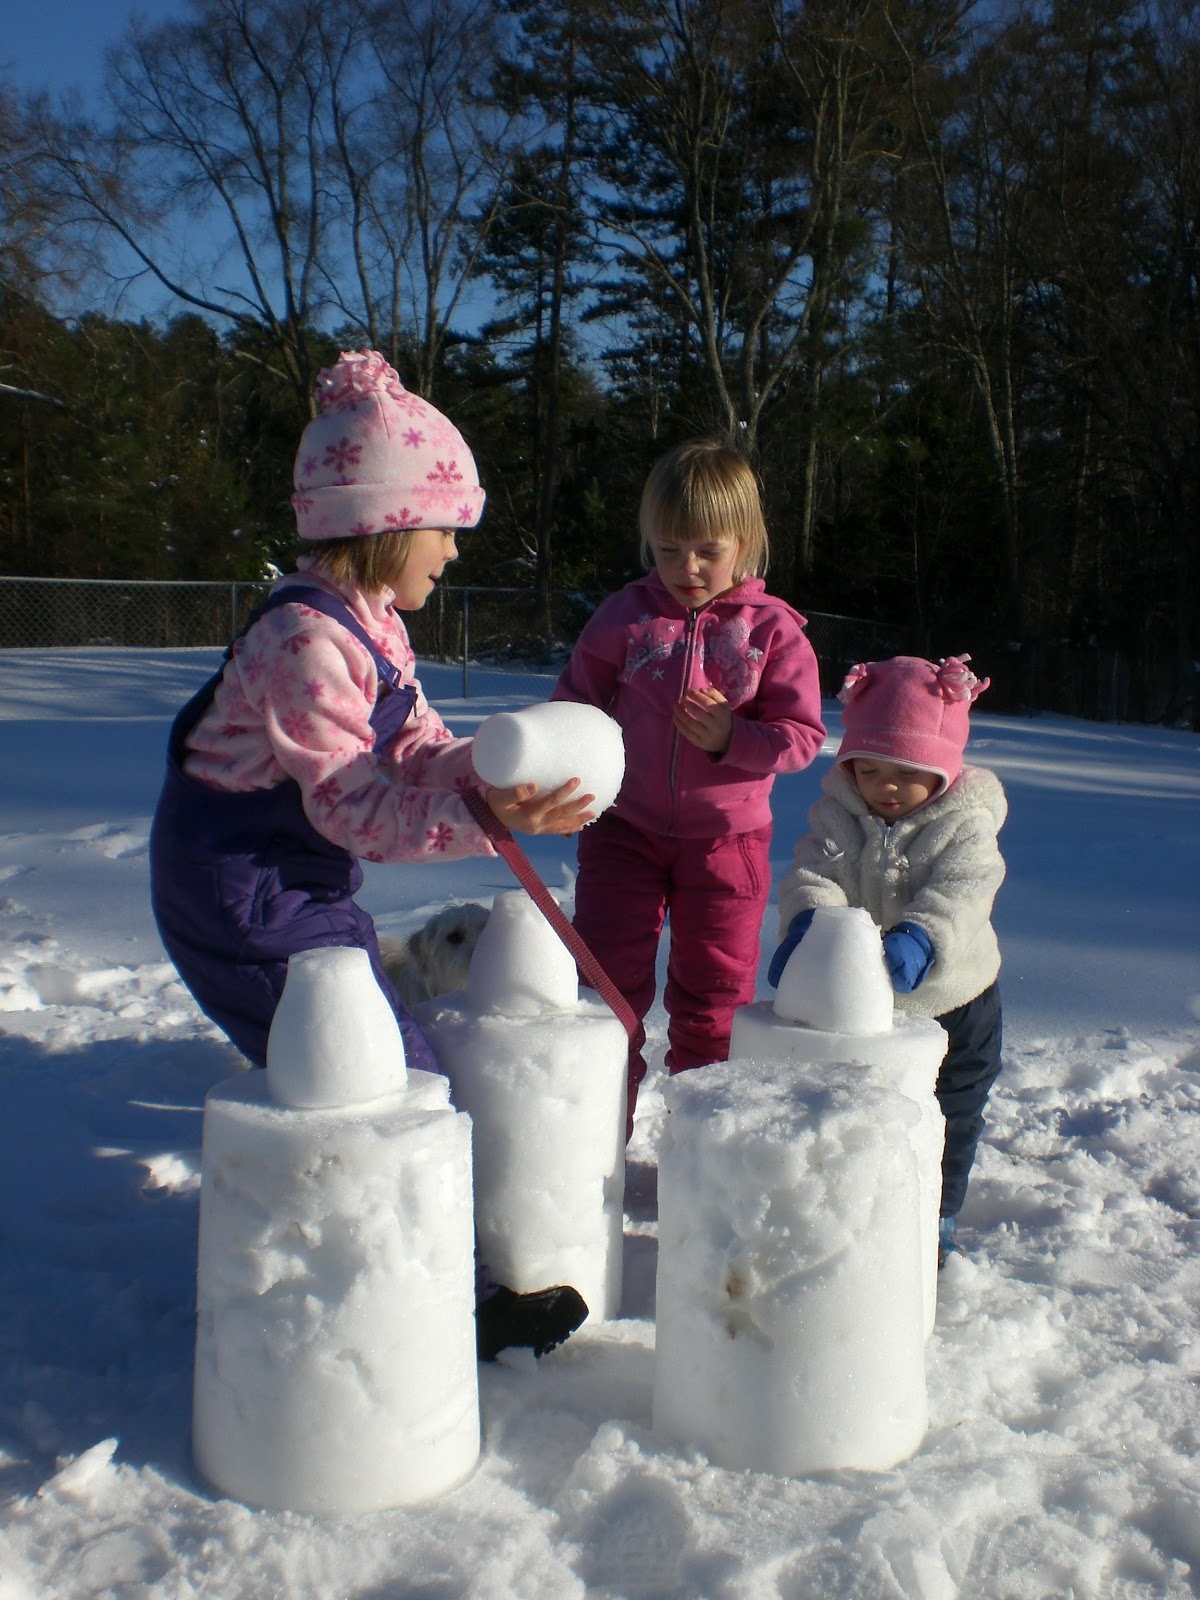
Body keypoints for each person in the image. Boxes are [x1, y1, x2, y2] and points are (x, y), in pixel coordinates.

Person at [150, 348, 591, 1359]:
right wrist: (493, 824)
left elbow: (418, 747)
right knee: (377, 1075)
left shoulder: (374, 624)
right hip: (240, 890)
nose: (452, 552)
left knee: (379, 1065)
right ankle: (406, 1299)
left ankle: (429, 1277)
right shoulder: (307, 644)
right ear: (385, 523)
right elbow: (353, 805)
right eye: (445, 528)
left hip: (297, 883)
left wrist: (504, 772)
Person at [552, 438, 826, 1135]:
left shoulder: (775, 633)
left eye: (706, 549)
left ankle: (702, 1141)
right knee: (606, 987)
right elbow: (574, 705)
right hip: (624, 833)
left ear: (746, 542)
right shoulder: (626, 616)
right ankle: (594, 1134)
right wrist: (554, 763)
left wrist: (734, 739)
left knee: (714, 999)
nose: (687, 568)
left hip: (726, 844)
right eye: (669, 549)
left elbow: (800, 737)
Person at [769, 654, 1006, 1265]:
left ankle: (939, 1212)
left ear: (944, 770)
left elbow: (963, 887)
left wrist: (922, 936)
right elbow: (814, 872)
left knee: (951, 1110)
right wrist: (806, 929)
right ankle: (862, 1201)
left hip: (958, 996)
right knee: (866, 1104)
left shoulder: (965, 823)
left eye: (904, 772)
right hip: (870, 1001)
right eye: (868, 770)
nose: (885, 787)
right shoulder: (838, 814)